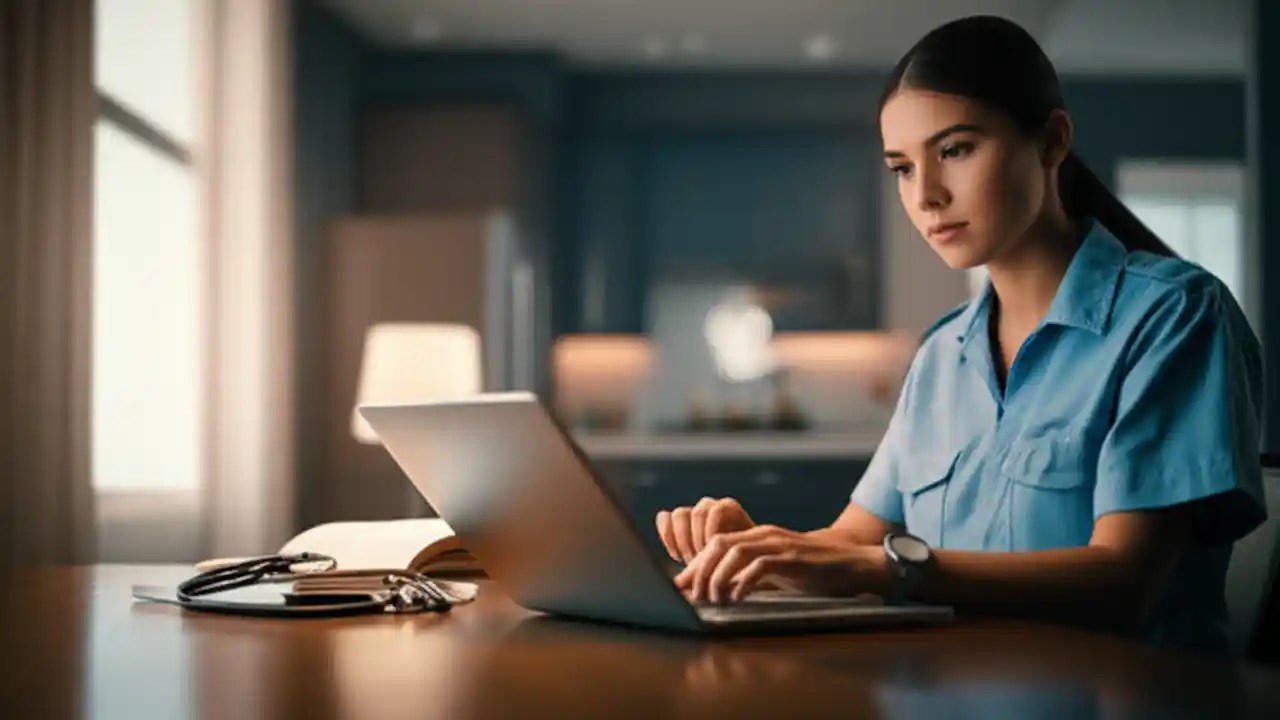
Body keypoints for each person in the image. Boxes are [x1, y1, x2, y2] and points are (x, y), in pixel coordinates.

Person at [655, 15, 1265, 654]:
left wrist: (893, 569)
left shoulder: (1174, 315)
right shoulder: (941, 356)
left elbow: (1124, 579)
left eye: (955, 150)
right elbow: (853, 541)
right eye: (902, 168)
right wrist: (762, 549)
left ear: (1052, 142)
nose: (927, 196)